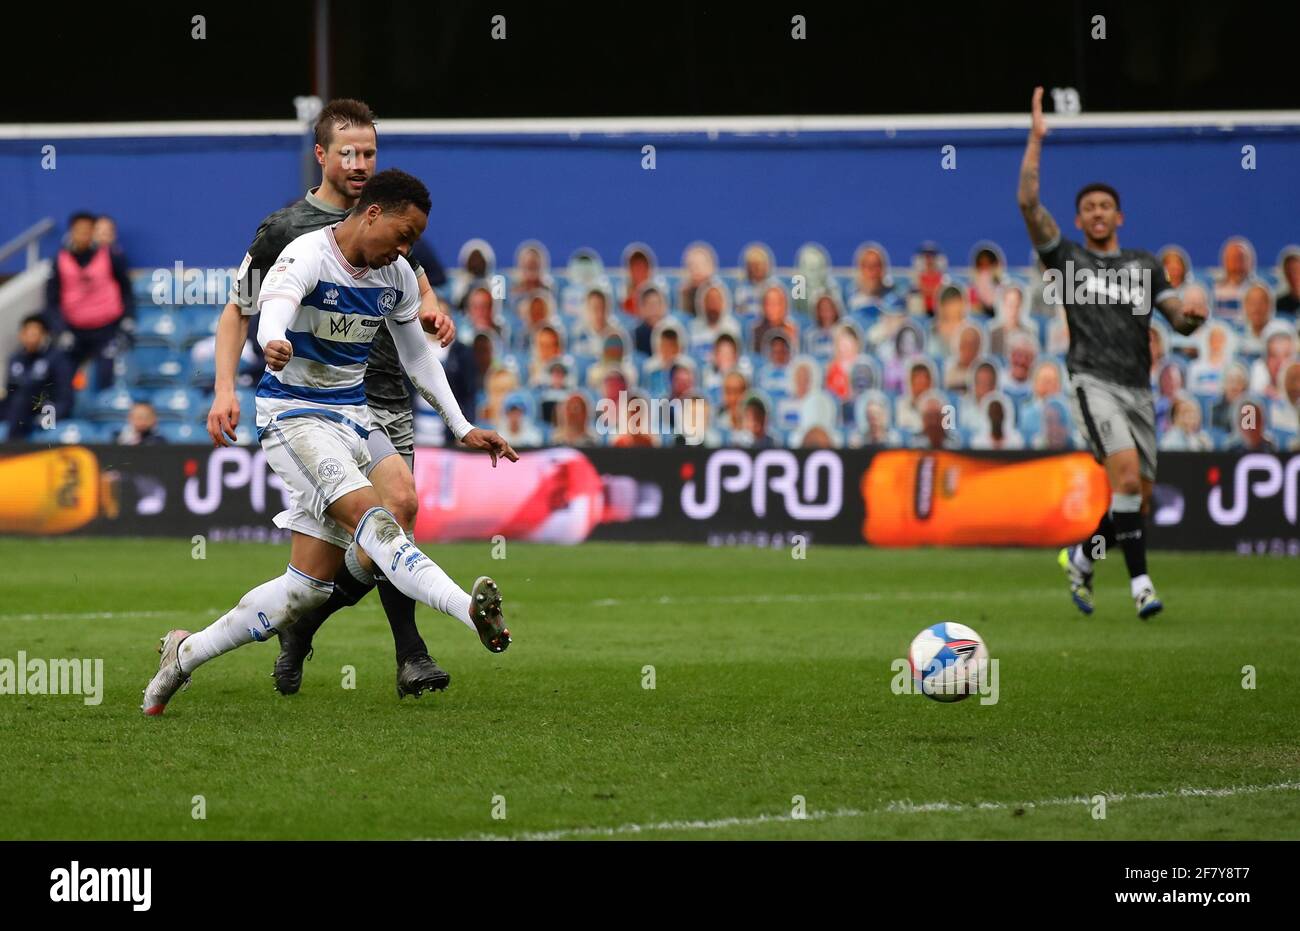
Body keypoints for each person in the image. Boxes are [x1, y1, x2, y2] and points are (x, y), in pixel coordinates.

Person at [142, 170, 517, 716]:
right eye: (403, 234)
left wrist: (462, 427)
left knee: (306, 590)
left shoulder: (398, 275)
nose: (407, 249)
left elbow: (415, 358)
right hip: (294, 417)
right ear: (372, 213)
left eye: (414, 240)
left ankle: (185, 652)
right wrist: (273, 339)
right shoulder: (306, 254)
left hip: (354, 415)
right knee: (378, 519)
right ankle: (468, 612)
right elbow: (274, 304)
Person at [202, 100, 461, 699]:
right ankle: (399, 648)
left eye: (369, 151)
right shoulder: (286, 231)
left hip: (385, 393)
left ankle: (388, 648)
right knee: (370, 528)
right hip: (315, 402)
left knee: (399, 514)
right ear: (321, 155)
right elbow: (238, 310)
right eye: (349, 151)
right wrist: (223, 389)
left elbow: (417, 294)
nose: (361, 161)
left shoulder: (391, 221)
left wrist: (434, 310)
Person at [1017, 86, 1206, 620]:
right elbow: (1029, 203)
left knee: (1135, 502)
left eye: (1105, 206)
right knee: (1124, 482)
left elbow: (1176, 320)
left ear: (1119, 217)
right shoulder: (1067, 258)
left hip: (1138, 389)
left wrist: (1194, 316)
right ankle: (1142, 584)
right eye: (1088, 208)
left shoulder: (1146, 265)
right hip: (1092, 380)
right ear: (1078, 222)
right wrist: (1036, 139)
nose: (1097, 213)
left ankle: (1082, 556)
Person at [46, 211, 134, 392]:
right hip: (74, 331)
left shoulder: (111, 256)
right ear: (71, 232)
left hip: (107, 329)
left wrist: (127, 318)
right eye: (79, 231)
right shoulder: (59, 260)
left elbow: (126, 288)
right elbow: (52, 298)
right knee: (62, 374)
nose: (83, 235)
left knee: (106, 374)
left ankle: (104, 412)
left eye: (87, 231)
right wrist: (60, 330)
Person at [3, 314, 73, 440]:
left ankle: (13, 446)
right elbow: (10, 392)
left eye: (34, 334)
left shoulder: (56, 358)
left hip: (48, 408)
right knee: (18, 401)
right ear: (21, 335)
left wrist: (56, 415)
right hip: (19, 410)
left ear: (44, 335)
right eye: (27, 334)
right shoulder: (15, 359)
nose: (30, 339)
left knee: (25, 399)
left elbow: (65, 395)